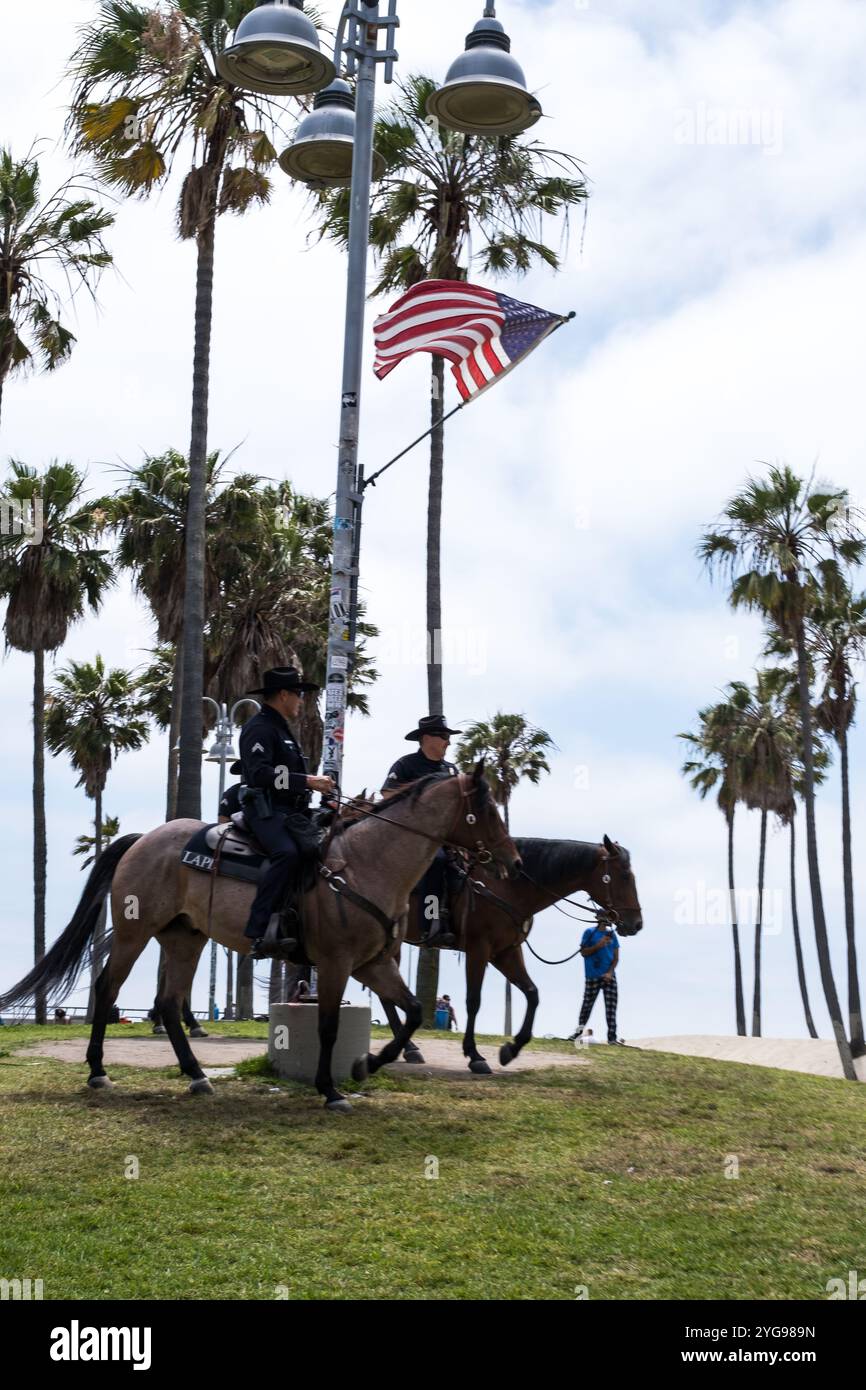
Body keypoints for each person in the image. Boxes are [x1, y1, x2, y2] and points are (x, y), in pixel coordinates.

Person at [239, 667, 335, 959]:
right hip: (265, 810)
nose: (301, 700)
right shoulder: (260, 728)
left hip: (291, 812)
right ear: (283, 695)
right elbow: (260, 773)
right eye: (299, 694)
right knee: (286, 853)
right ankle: (259, 931)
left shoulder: (281, 729)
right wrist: (308, 781)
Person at [381, 714, 461, 948]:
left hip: (450, 837)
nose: (448, 742)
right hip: (415, 838)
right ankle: (431, 924)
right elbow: (387, 796)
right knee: (435, 862)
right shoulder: (406, 765)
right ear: (427, 738)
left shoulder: (452, 770)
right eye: (444, 736)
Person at [568, 919, 624, 1045]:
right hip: (592, 976)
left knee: (611, 1009)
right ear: (598, 918)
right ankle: (577, 1034)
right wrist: (599, 945)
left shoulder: (612, 935)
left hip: (609, 977)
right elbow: (583, 952)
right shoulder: (589, 932)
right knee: (586, 1007)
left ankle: (612, 1038)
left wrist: (610, 972)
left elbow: (616, 958)